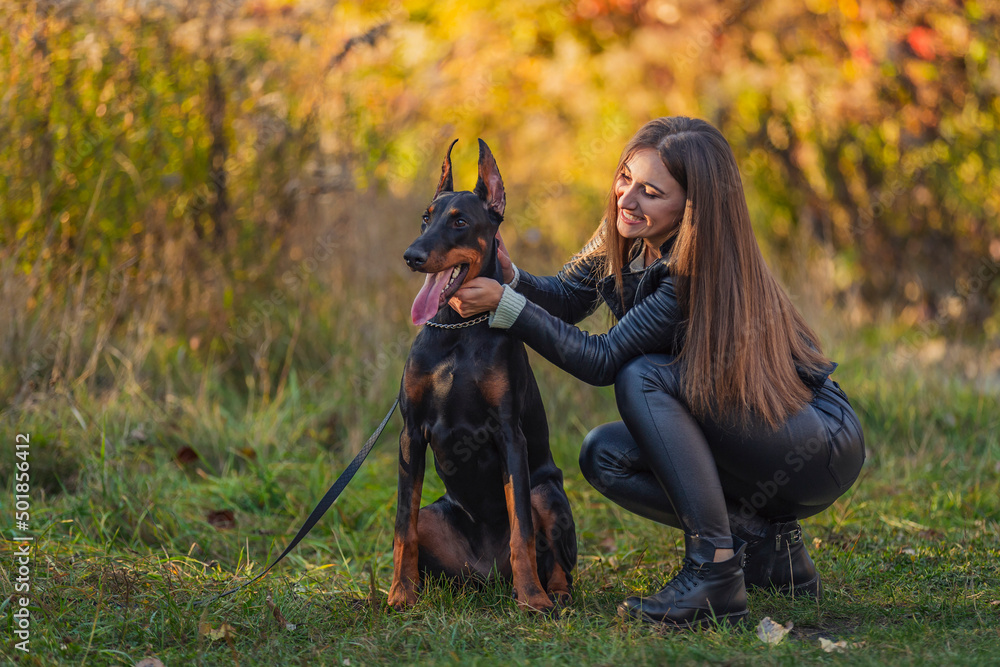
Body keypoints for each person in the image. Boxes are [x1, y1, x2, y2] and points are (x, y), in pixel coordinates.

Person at [448, 116, 866, 628]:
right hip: (761, 435)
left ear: (693, 207)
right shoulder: (622, 235)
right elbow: (565, 297)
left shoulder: (692, 269)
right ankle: (771, 548)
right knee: (605, 455)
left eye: (650, 192)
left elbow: (602, 360)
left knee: (641, 376)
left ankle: (714, 570)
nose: (627, 199)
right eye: (625, 177)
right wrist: (511, 277)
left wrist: (507, 305)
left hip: (818, 441)